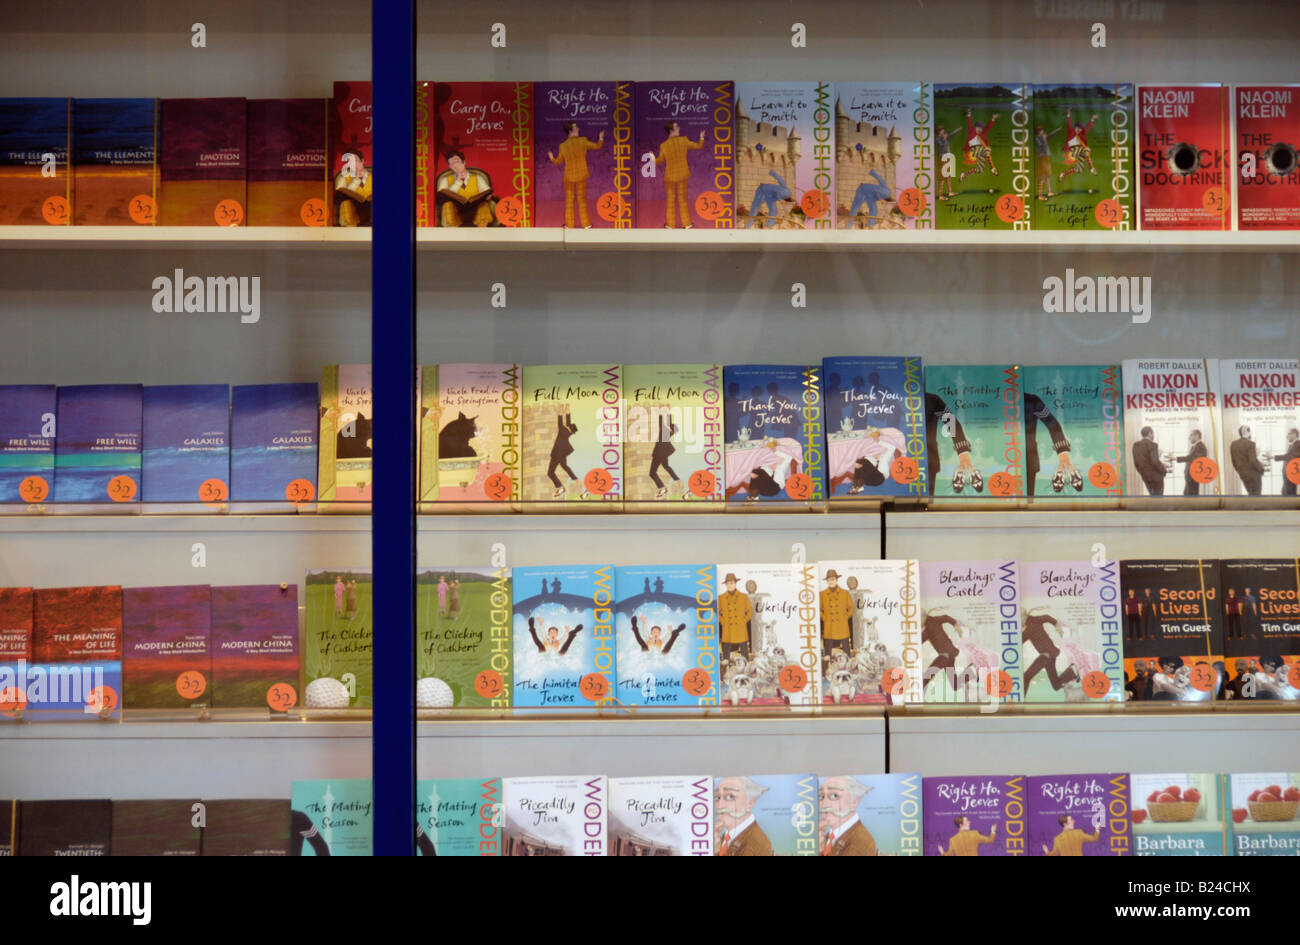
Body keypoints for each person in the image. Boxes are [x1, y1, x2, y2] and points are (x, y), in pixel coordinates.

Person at [547, 122, 604, 229]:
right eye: (575, 127)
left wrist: (552, 158)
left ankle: (569, 225)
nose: (578, 128)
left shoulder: (563, 146)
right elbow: (597, 146)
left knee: (569, 201)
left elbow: (558, 161)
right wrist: (600, 138)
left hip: (569, 177)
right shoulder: (583, 141)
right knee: (582, 200)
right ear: (570, 130)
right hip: (581, 175)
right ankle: (586, 224)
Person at [656, 122, 705, 229]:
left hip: (670, 176)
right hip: (682, 174)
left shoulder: (664, 145)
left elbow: (659, 161)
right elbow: (698, 146)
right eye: (676, 127)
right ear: (671, 130)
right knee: (683, 200)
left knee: (670, 201)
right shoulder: (683, 140)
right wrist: (701, 138)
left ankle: (670, 225)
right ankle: (687, 224)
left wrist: (651, 157)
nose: (679, 128)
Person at [818, 777, 878, 856]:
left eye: (834, 796)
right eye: (821, 796)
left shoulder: (861, 841)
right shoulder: (827, 837)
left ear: (854, 802)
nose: (824, 804)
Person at [1022, 610, 1078, 693]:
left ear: (1024, 616)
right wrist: (1056, 625)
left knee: (1026, 677)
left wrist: (1057, 626)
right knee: (1056, 685)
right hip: (1051, 655)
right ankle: (1071, 673)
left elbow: (1020, 640)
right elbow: (1047, 617)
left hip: (1046, 656)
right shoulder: (1035, 620)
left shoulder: (1030, 626)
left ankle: (1021, 700)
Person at [714, 777, 773, 856]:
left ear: (750, 803)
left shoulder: (756, 841)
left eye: (730, 797)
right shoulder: (724, 837)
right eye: (717, 797)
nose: (720, 806)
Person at [547, 413, 585, 499]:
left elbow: (561, 423)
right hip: (563, 452)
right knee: (564, 466)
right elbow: (568, 424)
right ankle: (575, 479)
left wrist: (560, 414)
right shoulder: (567, 433)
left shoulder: (562, 430)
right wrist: (567, 413)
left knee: (550, 473)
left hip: (557, 454)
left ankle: (560, 487)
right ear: (571, 431)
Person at [922, 611, 962, 691]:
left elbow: (921, 638)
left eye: (919, 619)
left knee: (926, 677)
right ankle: (971, 672)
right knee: (955, 685)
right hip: (950, 655)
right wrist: (955, 625)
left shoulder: (930, 624)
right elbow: (946, 617)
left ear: (924, 617)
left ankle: (920, 691)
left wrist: (955, 625)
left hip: (946, 655)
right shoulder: (933, 621)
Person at [718, 573, 754, 661]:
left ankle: (746, 669)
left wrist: (744, 620)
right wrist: (723, 622)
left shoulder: (743, 597)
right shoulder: (721, 598)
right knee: (726, 653)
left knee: (744, 653)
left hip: (740, 628)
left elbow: (750, 611)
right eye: (727, 584)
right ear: (725, 585)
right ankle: (725, 669)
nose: (729, 585)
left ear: (735, 583)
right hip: (728, 629)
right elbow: (717, 613)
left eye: (731, 583)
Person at [819, 569, 854, 659]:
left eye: (833, 579)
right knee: (828, 650)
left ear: (836, 580)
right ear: (827, 581)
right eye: (829, 580)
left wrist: (845, 617)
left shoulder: (845, 593)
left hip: (842, 624)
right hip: (829, 624)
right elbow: (818, 609)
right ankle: (827, 666)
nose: (831, 582)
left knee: (846, 647)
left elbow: (851, 608)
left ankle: (848, 664)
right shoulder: (822, 594)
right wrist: (825, 618)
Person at [1057, 109, 1099, 182]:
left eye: (1080, 129)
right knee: (1086, 150)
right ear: (1075, 127)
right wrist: (1068, 115)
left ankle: (1063, 175)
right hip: (1072, 152)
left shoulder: (1081, 135)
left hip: (1078, 152)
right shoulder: (1071, 131)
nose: (1079, 130)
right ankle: (1092, 168)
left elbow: (1087, 128)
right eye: (1078, 128)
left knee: (1079, 169)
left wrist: (1092, 119)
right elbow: (1069, 124)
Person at [959, 108, 1000, 182]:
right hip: (973, 150)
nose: (979, 129)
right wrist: (969, 114)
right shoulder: (972, 131)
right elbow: (970, 123)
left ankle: (964, 174)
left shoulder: (982, 134)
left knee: (980, 169)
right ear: (975, 127)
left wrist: (993, 119)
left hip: (980, 151)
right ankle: (992, 168)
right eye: (978, 127)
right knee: (987, 150)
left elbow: (988, 127)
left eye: (981, 129)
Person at [649, 412, 680, 500]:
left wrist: (661, 413)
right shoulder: (668, 433)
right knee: (666, 466)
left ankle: (663, 487)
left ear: (671, 429)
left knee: (652, 473)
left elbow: (661, 423)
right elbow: (668, 424)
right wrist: (668, 413)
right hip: (662, 454)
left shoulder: (665, 433)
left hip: (658, 455)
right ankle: (675, 479)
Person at [1229, 424, 1266, 495]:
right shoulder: (1251, 444)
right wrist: (1261, 470)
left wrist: (1240, 471)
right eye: (1250, 431)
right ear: (1248, 432)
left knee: (1250, 494)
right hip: (1254, 475)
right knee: (1256, 495)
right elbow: (1253, 461)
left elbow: (1233, 462)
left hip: (1243, 474)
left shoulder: (1233, 444)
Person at [1132, 426, 1168, 495]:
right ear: (1150, 433)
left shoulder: (1136, 445)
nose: (1153, 435)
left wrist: (1143, 474)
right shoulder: (1153, 445)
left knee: (1152, 497)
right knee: (1158, 499)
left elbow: (1136, 463)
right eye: (1153, 433)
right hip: (1156, 478)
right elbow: (1155, 462)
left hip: (1145, 477)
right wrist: (1164, 471)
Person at [1175, 429, 1208, 496]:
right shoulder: (1195, 447)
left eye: (1191, 435)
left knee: (1191, 499)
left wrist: (1175, 458)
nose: (1189, 438)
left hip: (1193, 479)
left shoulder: (1201, 447)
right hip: (1190, 479)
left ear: (1197, 436)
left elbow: (1191, 458)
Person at [1034, 125, 1060, 199]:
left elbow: (1051, 134)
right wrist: (1045, 139)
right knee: (1041, 176)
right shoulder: (1037, 138)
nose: (1041, 131)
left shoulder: (1043, 136)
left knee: (1048, 175)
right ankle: (1040, 195)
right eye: (1040, 130)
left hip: (1046, 158)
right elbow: (1042, 146)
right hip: (1041, 158)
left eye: (1042, 130)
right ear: (1038, 131)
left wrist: (1058, 129)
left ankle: (1049, 192)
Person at [934, 124, 960, 200]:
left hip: (948, 157)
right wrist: (945, 139)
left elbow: (951, 134)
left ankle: (950, 192)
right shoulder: (937, 139)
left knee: (948, 175)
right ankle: (941, 195)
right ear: (939, 132)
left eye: (943, 130)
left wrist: (958, 129)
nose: (943, 131)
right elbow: (942, 145)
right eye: (942, 130)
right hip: (943, 158)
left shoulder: (944, 136)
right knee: (942, 177)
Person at [1274, 428, 1300, 497]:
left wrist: (1273, 457)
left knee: (1289, 494)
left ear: (1294, 434)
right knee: (1284, 492)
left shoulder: (1297, 445)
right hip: (1288, 475)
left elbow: (1288, 456)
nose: (1286, 436)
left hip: (1291, 476)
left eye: (1288, 434)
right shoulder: (1293, 445)